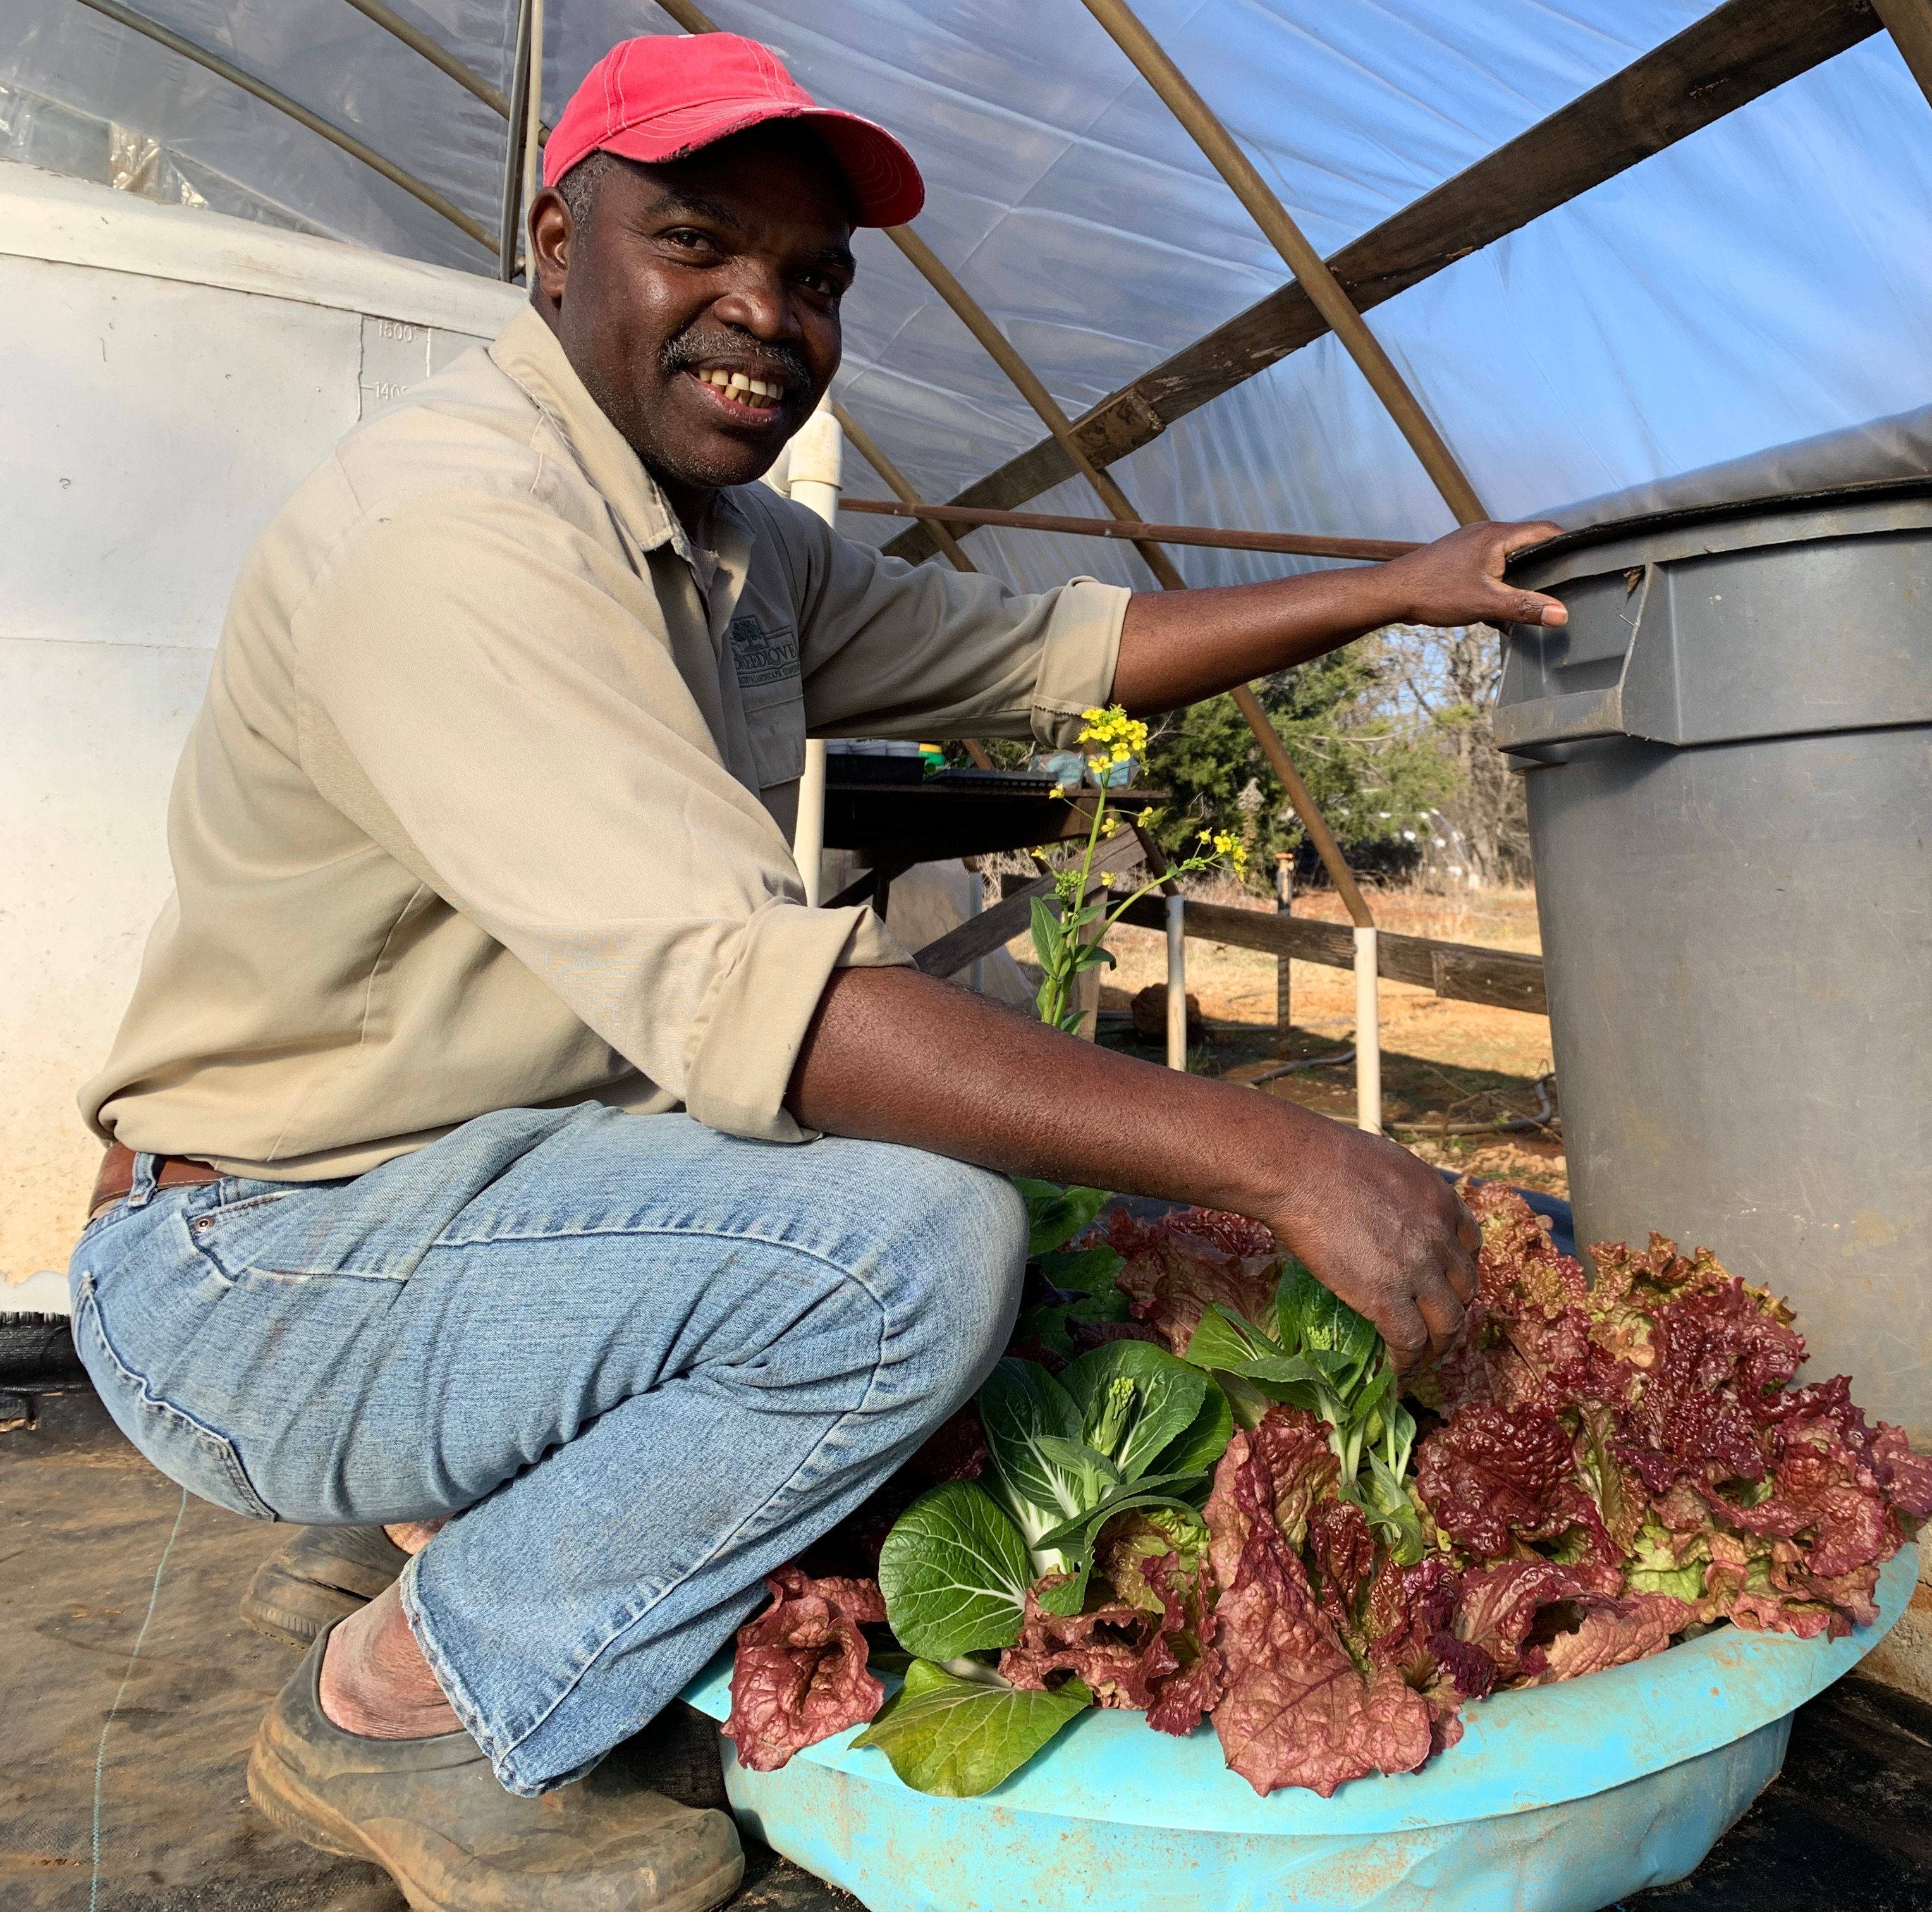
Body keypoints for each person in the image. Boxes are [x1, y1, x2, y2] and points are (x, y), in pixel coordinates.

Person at [67, 30, 1565, 1912]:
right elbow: (753, 996)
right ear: (558, 244)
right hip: (263, 1265)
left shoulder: (731, 547)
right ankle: (399, 1709)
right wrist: (1289, 1155)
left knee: (943, 1150)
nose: (767, 315)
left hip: (452, 1205)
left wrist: (1396, 587)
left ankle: (417, 1521)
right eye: (698, 242)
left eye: (816, 277)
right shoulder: (457, 534)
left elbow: (1049, 652)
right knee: (908, 1250)